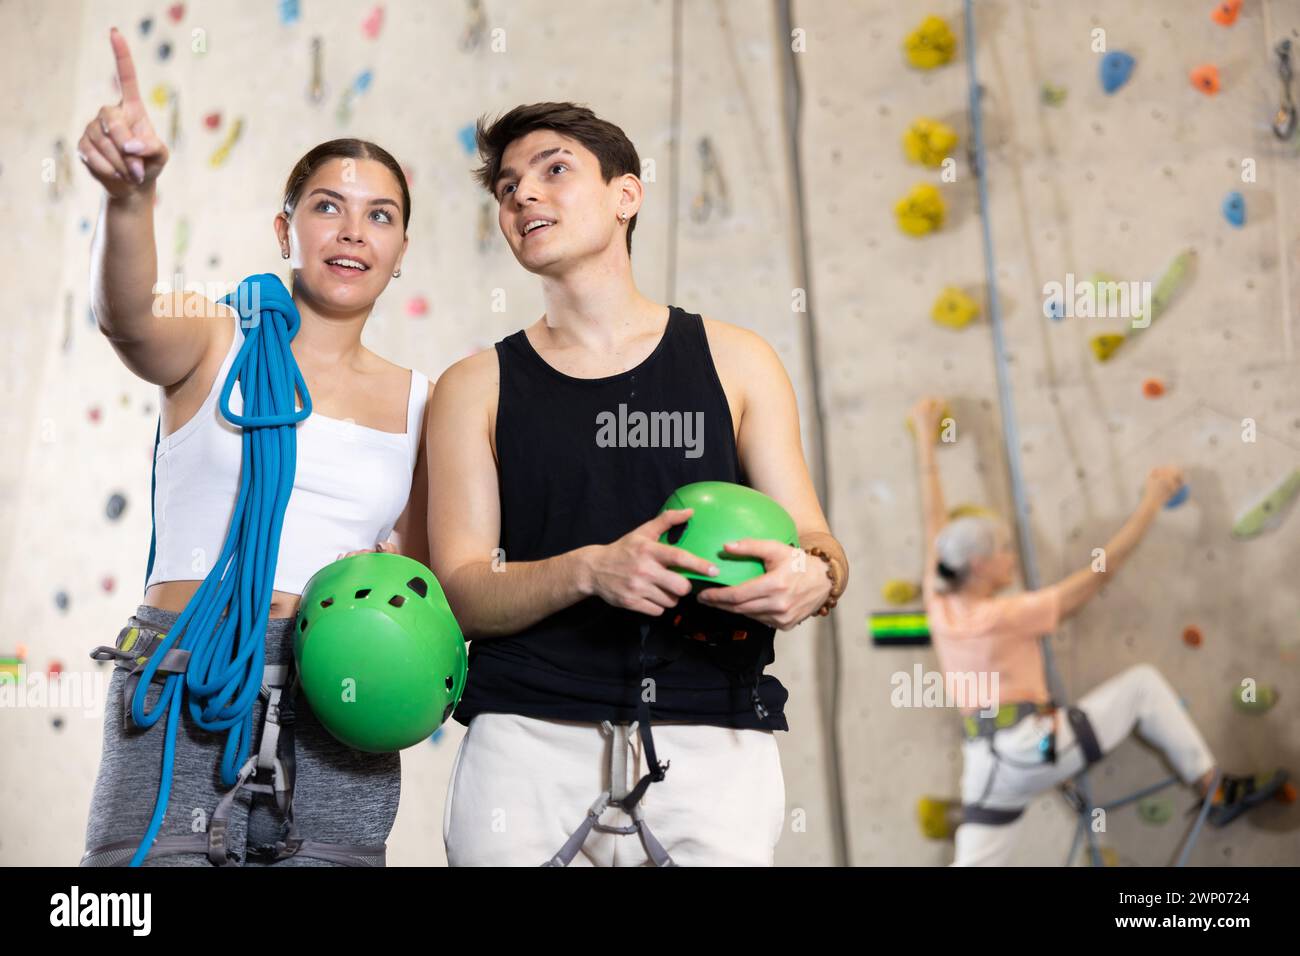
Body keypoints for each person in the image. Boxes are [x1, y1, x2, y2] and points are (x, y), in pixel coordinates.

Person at [428, 102, 849, 866]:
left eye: (554, 170)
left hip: (715, 737)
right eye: (508, 187)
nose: (523, 195)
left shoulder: (739, 360)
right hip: (526, 741)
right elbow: (460, 590)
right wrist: (591, 569)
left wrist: (812, 579)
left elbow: (815, 540)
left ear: (628, 194)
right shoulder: (473, 387)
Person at [78, 27, 431, 866]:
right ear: (286, 228)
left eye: (379, 215)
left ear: (401, 252)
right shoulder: (215, 339)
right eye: (327, 206)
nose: (353, 231)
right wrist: (131, 198)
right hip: (183, 674)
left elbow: (420, 580)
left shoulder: (426, 401)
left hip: (337, 701)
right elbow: (126, 317)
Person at [908, 396, 1289, 866]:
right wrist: (1151, 503)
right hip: (1029, 747)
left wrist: (926, 439)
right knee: (1143, 688)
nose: (1012, 557)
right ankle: (1215, 790)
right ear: (980, 565)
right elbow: (1099, 574)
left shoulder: (940, 601)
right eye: (1005, 550)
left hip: (987, 765)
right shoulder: (1002, 615)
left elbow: (935, 526)